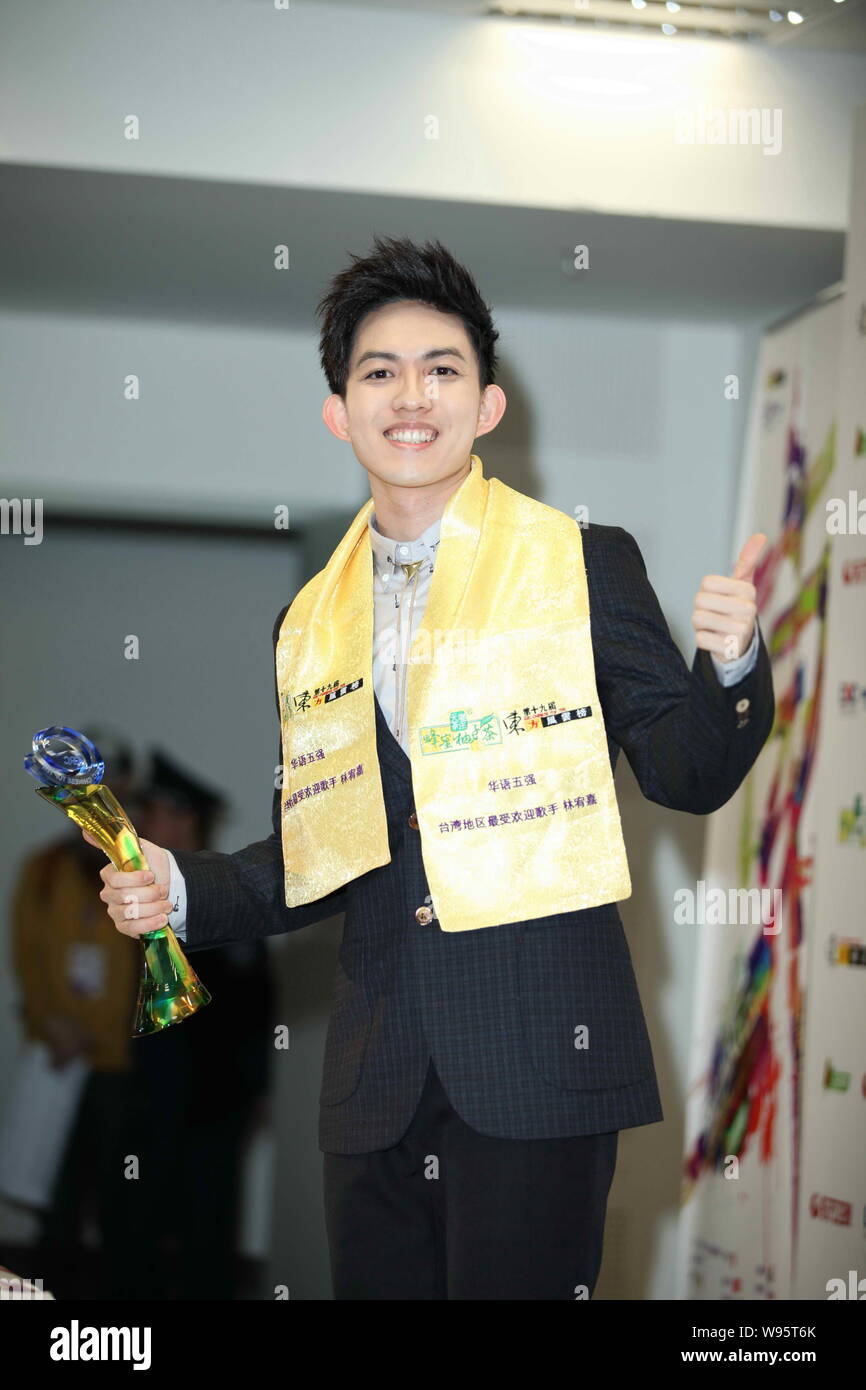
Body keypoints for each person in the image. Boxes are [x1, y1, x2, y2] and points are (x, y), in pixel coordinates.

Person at [89, 236, 775, 1300]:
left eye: (442, 369)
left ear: (487, 405)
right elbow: (312, 851)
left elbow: (684, 772)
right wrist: (179, 887)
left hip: (538, 1065)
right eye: (379, 371)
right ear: (339, 410)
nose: (411, 395)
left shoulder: (578, 562)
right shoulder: (310, 620)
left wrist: (726, 661)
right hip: (374, 1082)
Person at [127, 750, 274, 1301]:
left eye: (172, 814)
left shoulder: (221, 893)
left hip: (213, 1100)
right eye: (154, 813)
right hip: (143, 1092)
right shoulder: (125, 890)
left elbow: (257, 1001)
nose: (160, 825)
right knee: (133, 1226)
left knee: (208, 1231)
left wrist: (255, 1085)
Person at [11, 729, 144, 1300]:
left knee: (122, 1197)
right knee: (57, 1193)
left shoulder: (140, 861)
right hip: (61, 1059)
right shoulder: (41, 870)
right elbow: (27, 959)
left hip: (121, 1063)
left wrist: (103, 1034)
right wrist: (53, 1025)